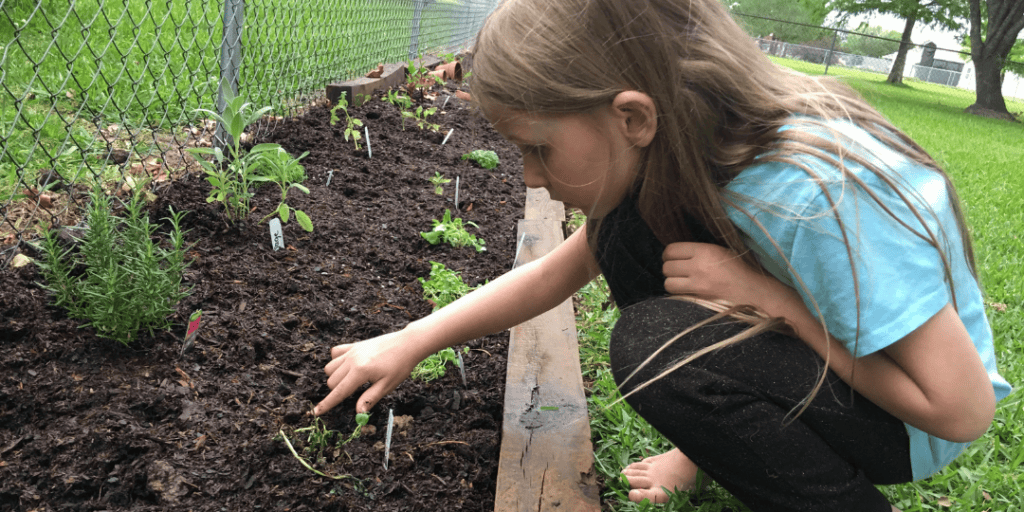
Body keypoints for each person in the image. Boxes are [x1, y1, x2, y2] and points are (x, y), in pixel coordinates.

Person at [313, 0, 1011, 510]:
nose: (529, 176)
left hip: (907, 420)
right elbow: (563, 268)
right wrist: (413, 338)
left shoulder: (811, 198)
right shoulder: (675, 152)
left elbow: (957, 412)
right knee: (624, 236)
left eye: (538, 147)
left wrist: (778, 305)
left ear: (632, 116)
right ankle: (711, 449)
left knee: (654, 345)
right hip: (835, 358)